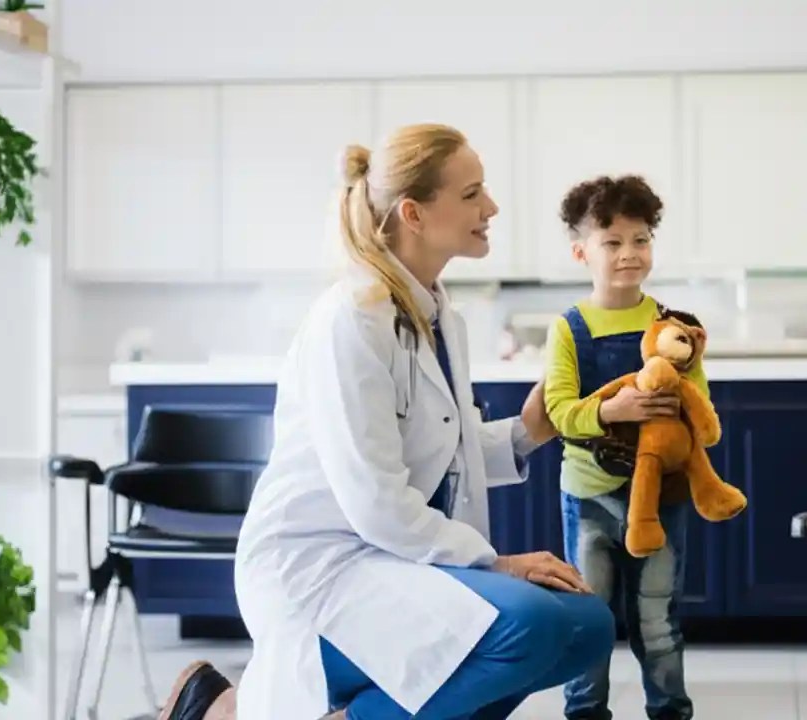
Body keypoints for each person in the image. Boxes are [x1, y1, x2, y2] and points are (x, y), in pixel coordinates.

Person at [159, 124, 616, 719]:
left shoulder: (435, 311)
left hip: (389, 555)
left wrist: (530, 429)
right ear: (414, 214)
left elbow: (434, 448)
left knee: (587, 624)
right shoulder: (351, 321)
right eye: (473, 192)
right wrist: (495, 563)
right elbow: (374, 498)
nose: (492, 207)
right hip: (322, 566)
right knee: (525, 624)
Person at [543, 175, 736, 720]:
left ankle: (670, 710)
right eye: (612, 242)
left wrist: (678, 405)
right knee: (589, 618)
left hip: (664, 497)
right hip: (589, 499)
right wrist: (611, 411)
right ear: (582, 252)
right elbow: (559, 412)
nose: (629, 253)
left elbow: (699, 403)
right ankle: (585, 713)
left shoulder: (673, 328)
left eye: (641, 238)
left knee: (658, 616)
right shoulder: (568, 329)